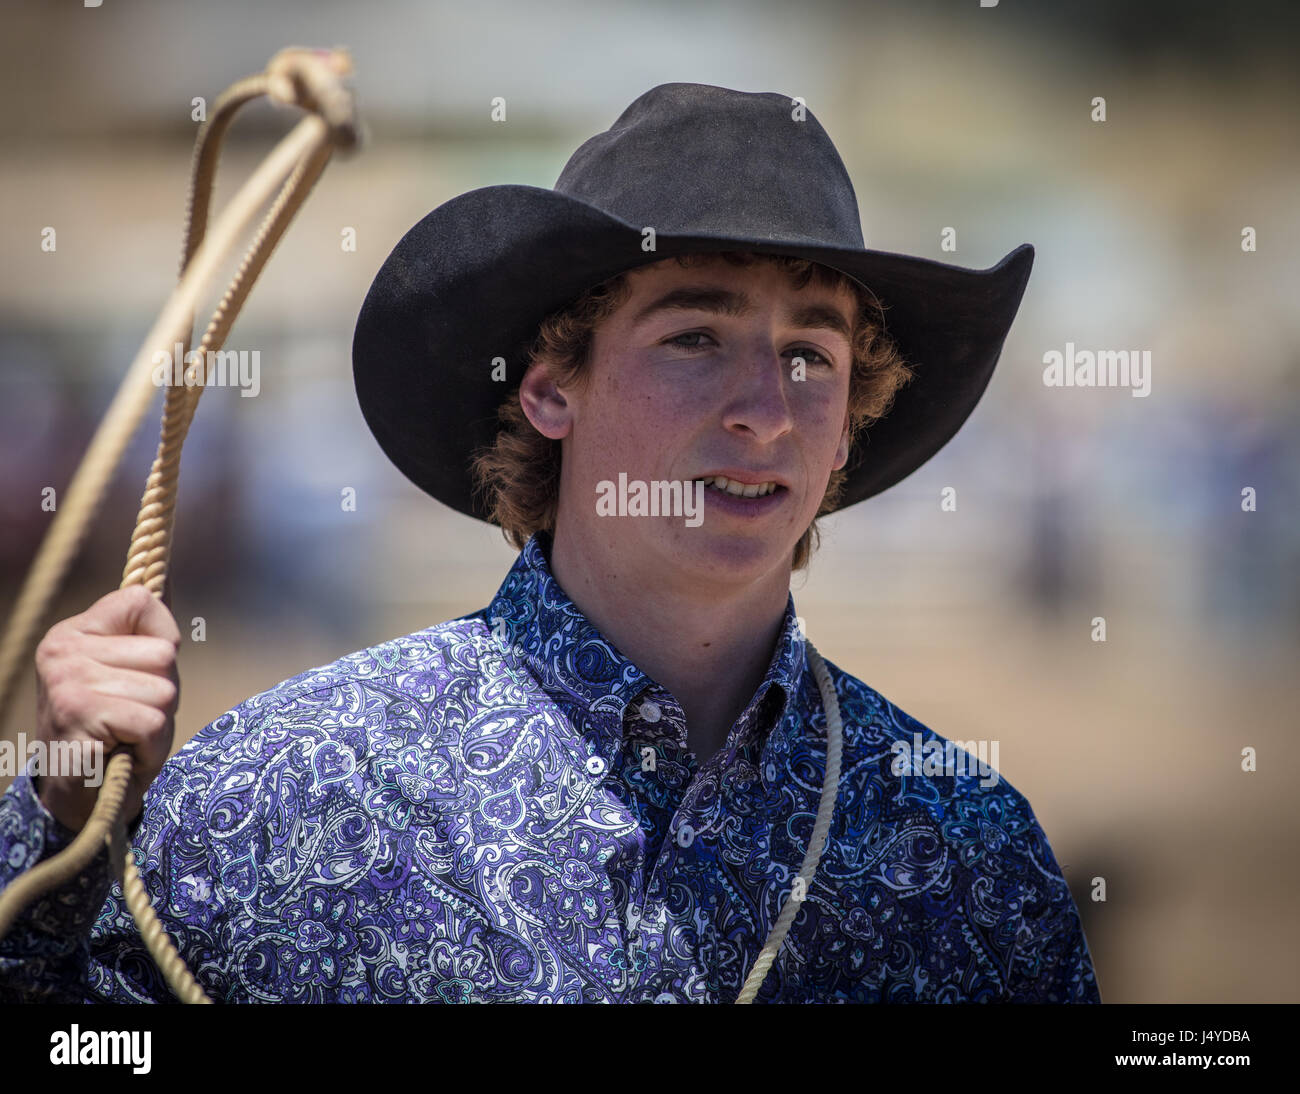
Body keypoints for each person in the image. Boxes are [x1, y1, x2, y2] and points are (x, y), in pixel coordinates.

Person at [0, 83, 1100, 1003]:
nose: (765, 407)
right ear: (547, 390)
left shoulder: (968, 854)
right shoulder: (292, 786)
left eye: (810, 354)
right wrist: (56, 808)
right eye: (694, 337)